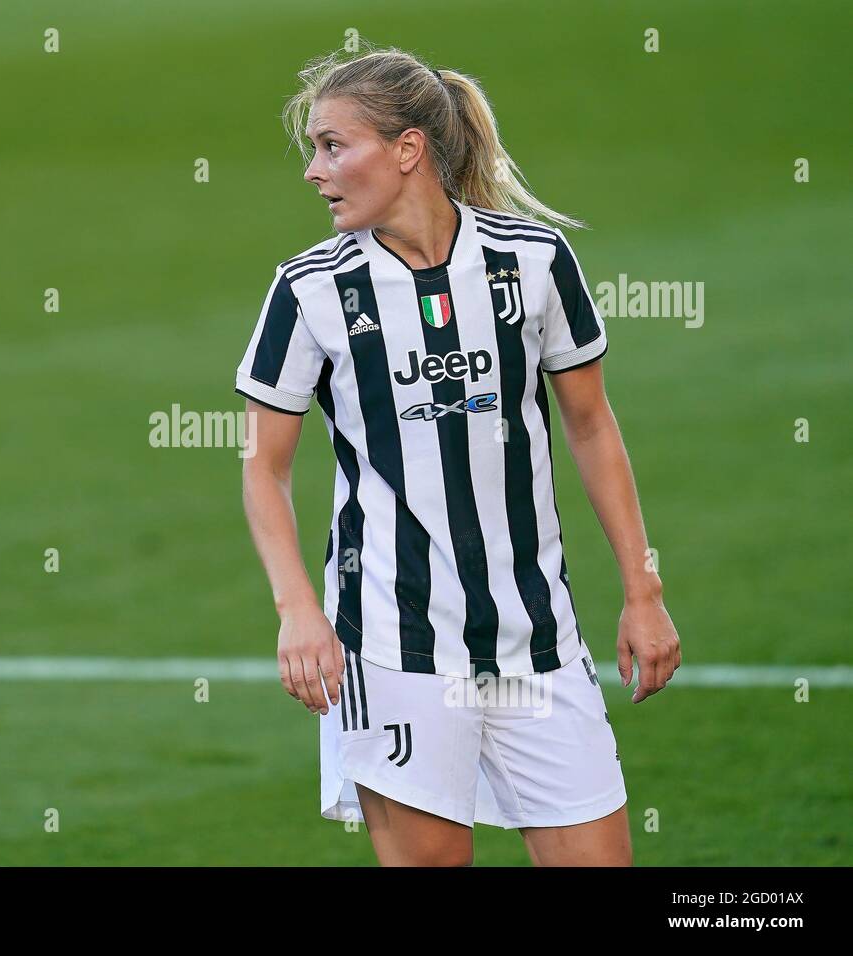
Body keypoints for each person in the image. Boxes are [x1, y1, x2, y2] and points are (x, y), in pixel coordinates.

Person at [234, 46, 681, 866]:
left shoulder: (533, 261)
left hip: (536, 637)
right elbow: (262, 464)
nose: (314, 171)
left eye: (334, 146)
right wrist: (297, 607)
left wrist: (642, 590)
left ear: (407, 150)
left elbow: (591, 425)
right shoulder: (310, 290)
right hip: (392, 641)